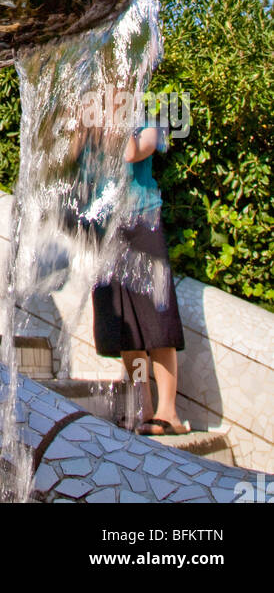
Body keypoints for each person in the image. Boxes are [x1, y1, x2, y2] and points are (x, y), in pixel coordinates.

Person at [89, 120, 189, 436]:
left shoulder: (150, 125)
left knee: (158, 325)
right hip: (105, 229)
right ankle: (143, 407)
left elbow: (131, 153)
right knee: (126, 331)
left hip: (143, 225)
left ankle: (168, 412)